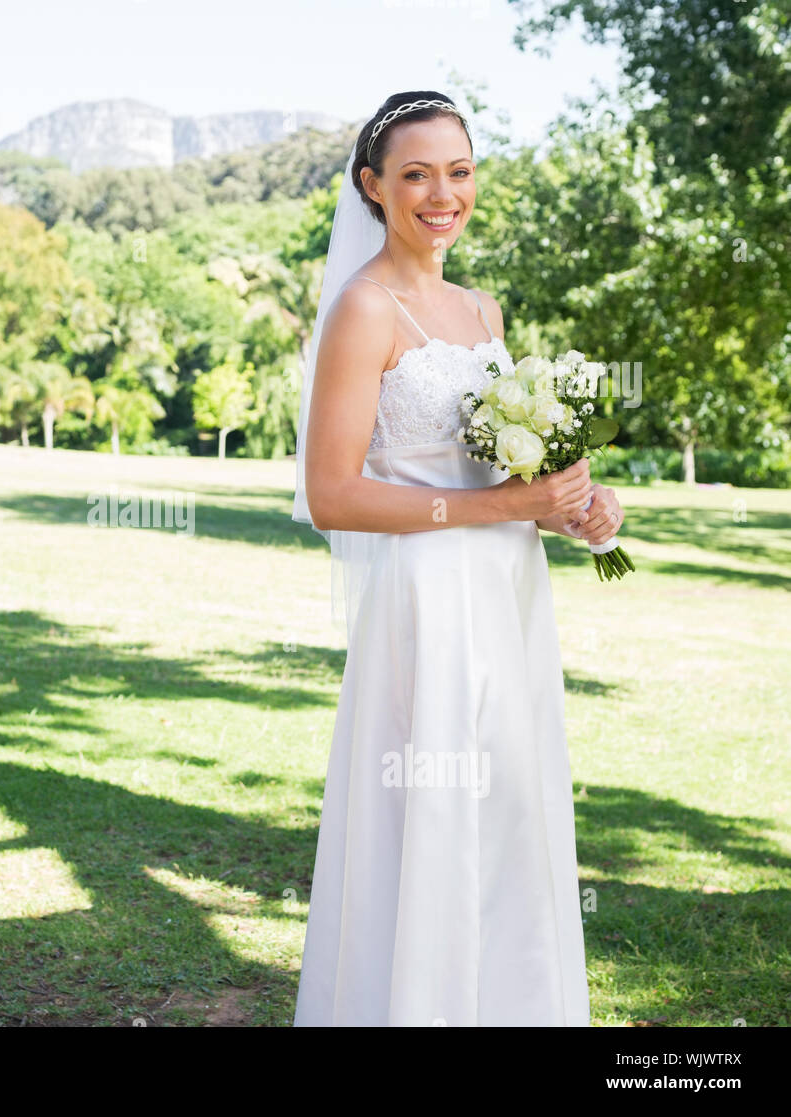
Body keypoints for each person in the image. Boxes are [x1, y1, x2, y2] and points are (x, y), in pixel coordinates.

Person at [292, 91, 624, 1026]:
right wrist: (502, 503)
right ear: (373, 187)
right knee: (433, 809)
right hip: (427, 597)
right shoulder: (364, 310)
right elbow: (333, 495)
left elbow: (506, 465)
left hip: (509, 586)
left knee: (512, 810)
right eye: (416, 174)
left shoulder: (483, 309)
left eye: (460, 169)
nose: (444, 193)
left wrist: (575, 507)